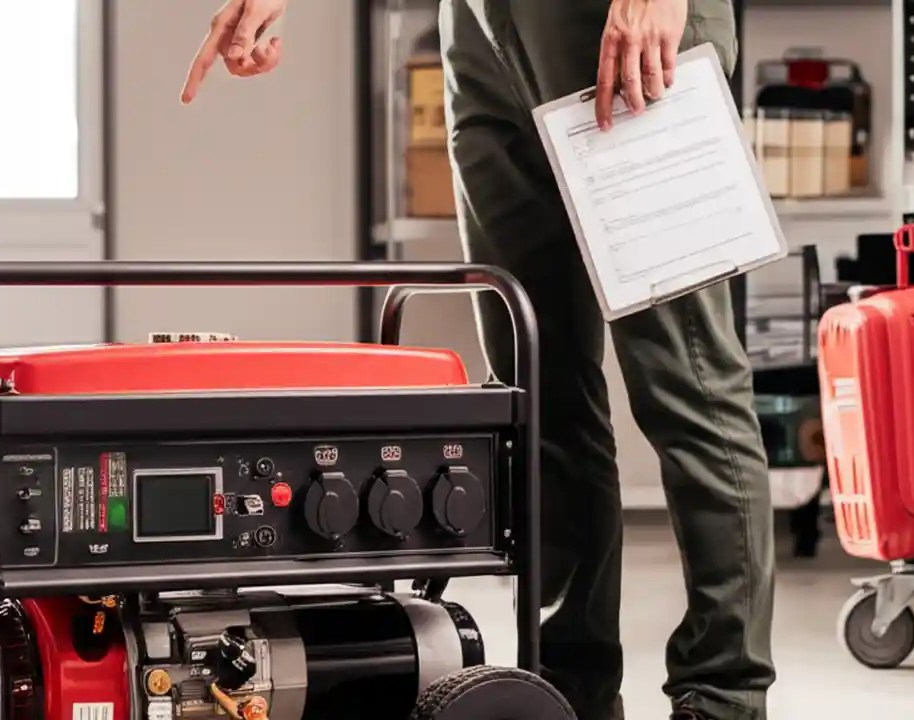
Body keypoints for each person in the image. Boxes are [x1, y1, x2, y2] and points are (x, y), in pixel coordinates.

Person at [179, 1, 776, 718]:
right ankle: (571, 688)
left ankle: (724, 697)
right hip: (483, 23)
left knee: (690, 381)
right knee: (539, 393)